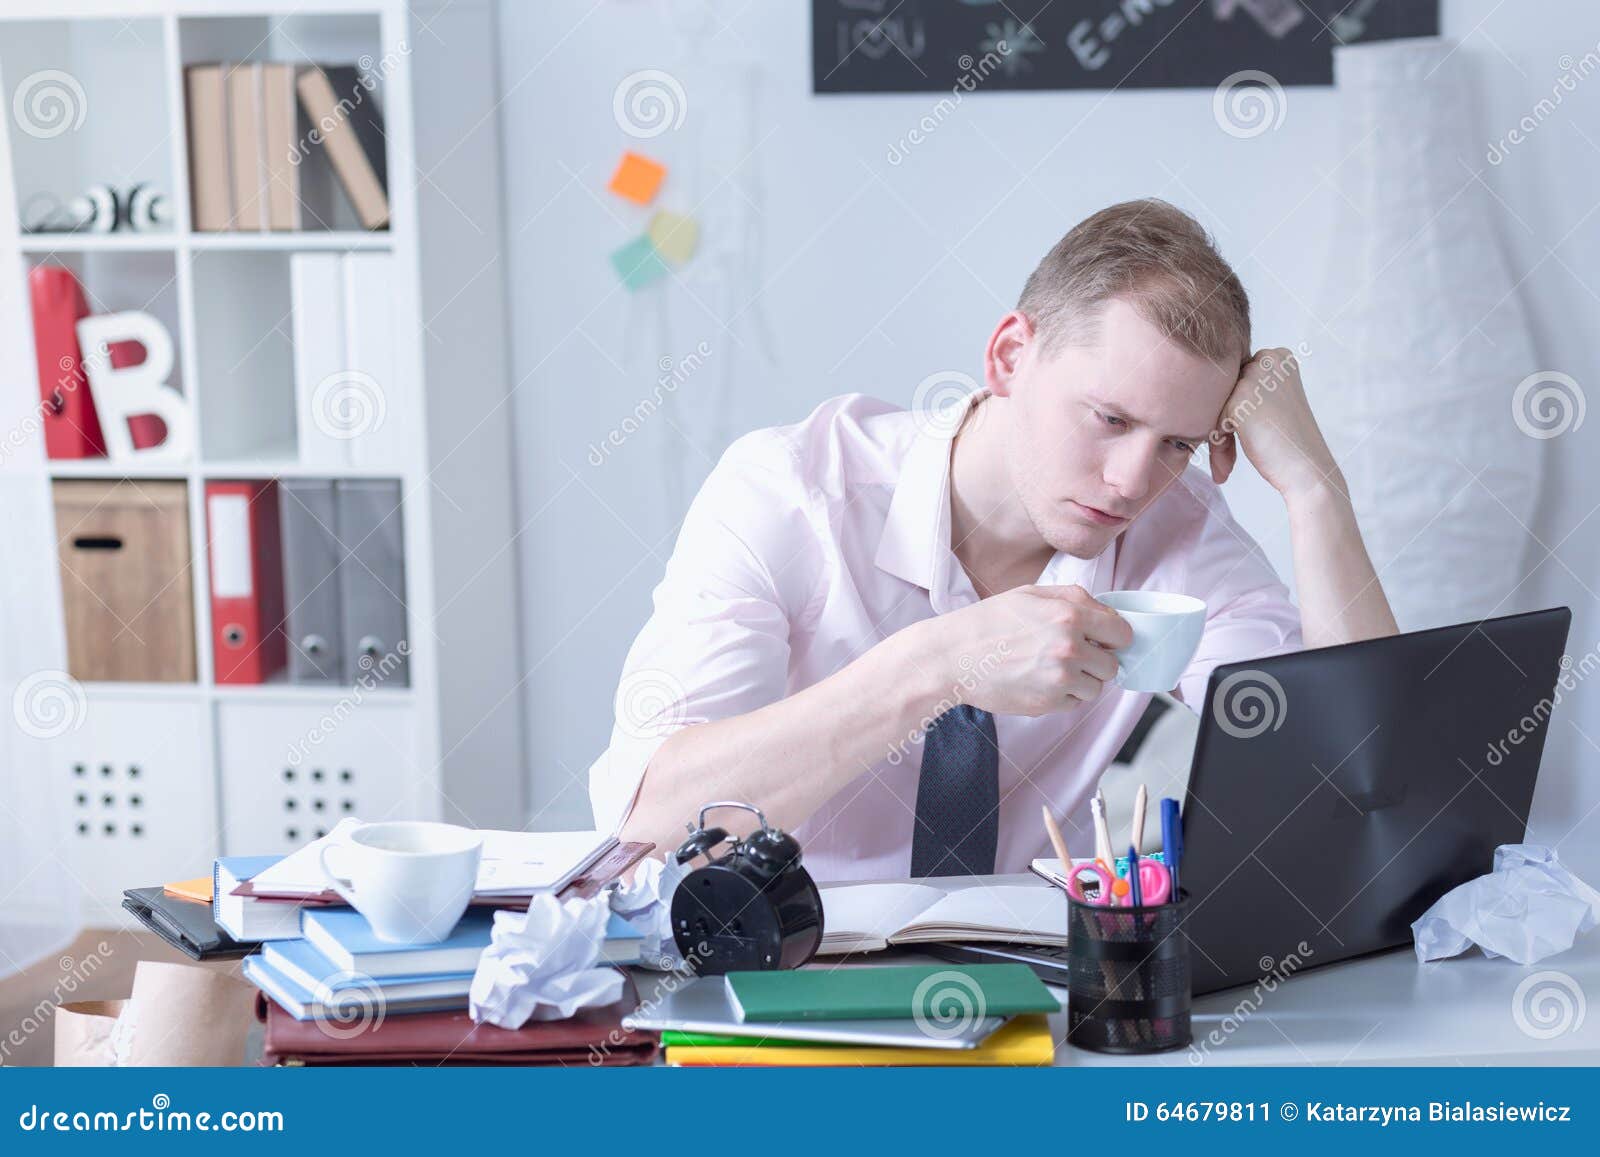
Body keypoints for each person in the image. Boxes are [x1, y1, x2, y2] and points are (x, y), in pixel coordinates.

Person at [588, 198, 1397, 882]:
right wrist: (941, 664)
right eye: (1110, 418)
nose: (1130, 480)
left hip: (1048, 1002)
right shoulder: (789, 493)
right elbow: (645, 831)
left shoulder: (1176, 526)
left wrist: (1315, 491)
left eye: (1177, 443)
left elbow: (1363, 792)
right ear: (1011, 355)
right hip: (793, 984)